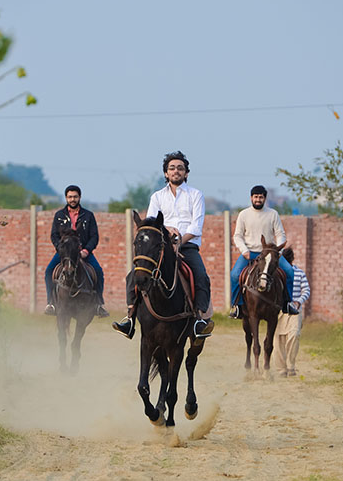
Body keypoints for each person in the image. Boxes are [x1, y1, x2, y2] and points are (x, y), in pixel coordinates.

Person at [112, 150, 214, 339]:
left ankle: (199, 321)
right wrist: (167, 233)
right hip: (161, 247)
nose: (176, 171)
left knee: (201, 276)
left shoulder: (196, 195)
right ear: (166, 173)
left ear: (186, 173)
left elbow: (196, 226)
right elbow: (151, 222)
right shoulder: (157, 197)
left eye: (180, 168)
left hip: (187, 246)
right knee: (133, 275)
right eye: (172, 168)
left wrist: (179, 241)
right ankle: (130, 318)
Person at [228, 185, 298, 319]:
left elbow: (280, 234)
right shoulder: (244, 214)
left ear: (265, 198)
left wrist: (278, 250)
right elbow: (237, 236)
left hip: (269, 253)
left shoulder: (273, 214)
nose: (258, 199)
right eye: (255, 197)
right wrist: (244, 250)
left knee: (289, 271)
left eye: (261, 197)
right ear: (251, 198)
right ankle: (237, 306)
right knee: (235, 275)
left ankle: (287, 303)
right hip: (250, 252)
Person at [44, 185, 109, 317]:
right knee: (49, 271)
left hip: (83, 252)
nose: (72, 199)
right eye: (70, 197)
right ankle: (51, 303)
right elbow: (54, 235)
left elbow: (94, 236)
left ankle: (98, 304)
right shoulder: (59, 215)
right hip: (65, 253)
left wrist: (86, 250)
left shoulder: (88, 216)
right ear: (66, 198)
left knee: (98, 271)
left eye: (75, 197)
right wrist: (61, 249)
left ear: (79, 197)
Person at [273, 247, 310, 377]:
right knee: (278, 339)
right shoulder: (277, 274)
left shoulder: (299, 273)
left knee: (294, 335)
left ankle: (290, 366)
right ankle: (281, 369)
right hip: (279, 311)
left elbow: (306, 290)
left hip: (294, 310)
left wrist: (298, 302)